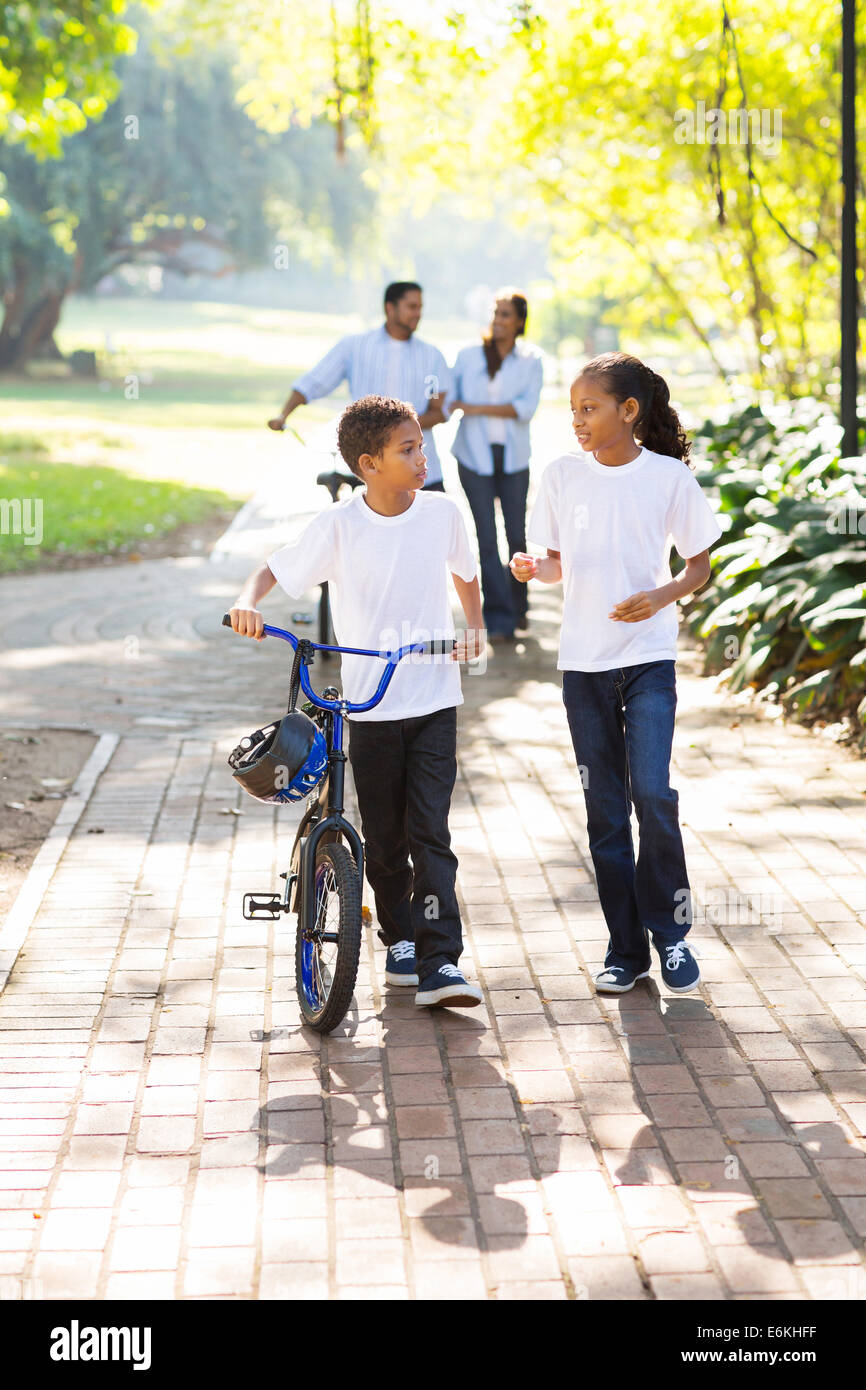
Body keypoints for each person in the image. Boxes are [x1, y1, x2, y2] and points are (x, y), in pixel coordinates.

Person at [230, 395, 485, 1009]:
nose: (422, 458)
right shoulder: (340, 526)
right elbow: (272, 569)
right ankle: (400, 943)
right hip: (368, 708)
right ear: (369, 464)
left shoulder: (442, 513)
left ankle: (440, 960)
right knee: (387, 835)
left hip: (432, 698)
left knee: (431, 832)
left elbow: (467, 573)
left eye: (421, 446)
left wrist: (473, 627)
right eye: (408, 449)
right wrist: (248, 601)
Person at [511, 352, 722, 996]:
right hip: (584, 664)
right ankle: (625, 949)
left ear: (629, 411)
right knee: (604, 810)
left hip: (649, 659)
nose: (577, 420)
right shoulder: (561, 477)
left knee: (652, 795)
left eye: (589, 408)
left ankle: (674, 936)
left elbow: (698, 568)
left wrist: (659, 597)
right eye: (572, 409)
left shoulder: (669, 479)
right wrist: (532, 569)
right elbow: (556, 565)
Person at [268, 282, 451, 491]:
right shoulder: (354, 347)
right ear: (390, 308)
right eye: (412, 307)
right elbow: (314, 382)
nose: (418, 313)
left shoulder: (431, 356)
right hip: (370, 476)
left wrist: (395, 428)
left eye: (420, 307)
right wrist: (283, 415)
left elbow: (439, 411)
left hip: (422, 475)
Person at [449, 289, 543, 640]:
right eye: (495, 313)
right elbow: (448, 397)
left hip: (514, 458)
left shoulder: (531, 360)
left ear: (519, 321)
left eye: (506, 314)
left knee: (516, 536)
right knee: (486, 538)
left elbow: (525, 408)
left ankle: (519, 608)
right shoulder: (469, 356)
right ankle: (498, 619)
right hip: (473, 456)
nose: (498, 320)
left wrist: (473, 407)